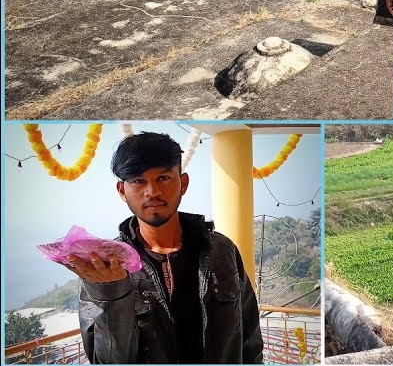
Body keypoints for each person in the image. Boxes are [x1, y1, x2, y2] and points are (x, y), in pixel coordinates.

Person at [68, 132, 263, 363]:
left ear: (183, 183)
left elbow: (250, 339)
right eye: (139, 181)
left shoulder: (221, 250)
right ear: (122, 190)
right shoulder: (106, 266)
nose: (152, 192)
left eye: (163, 178)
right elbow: (108, 361)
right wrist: (112, 293)